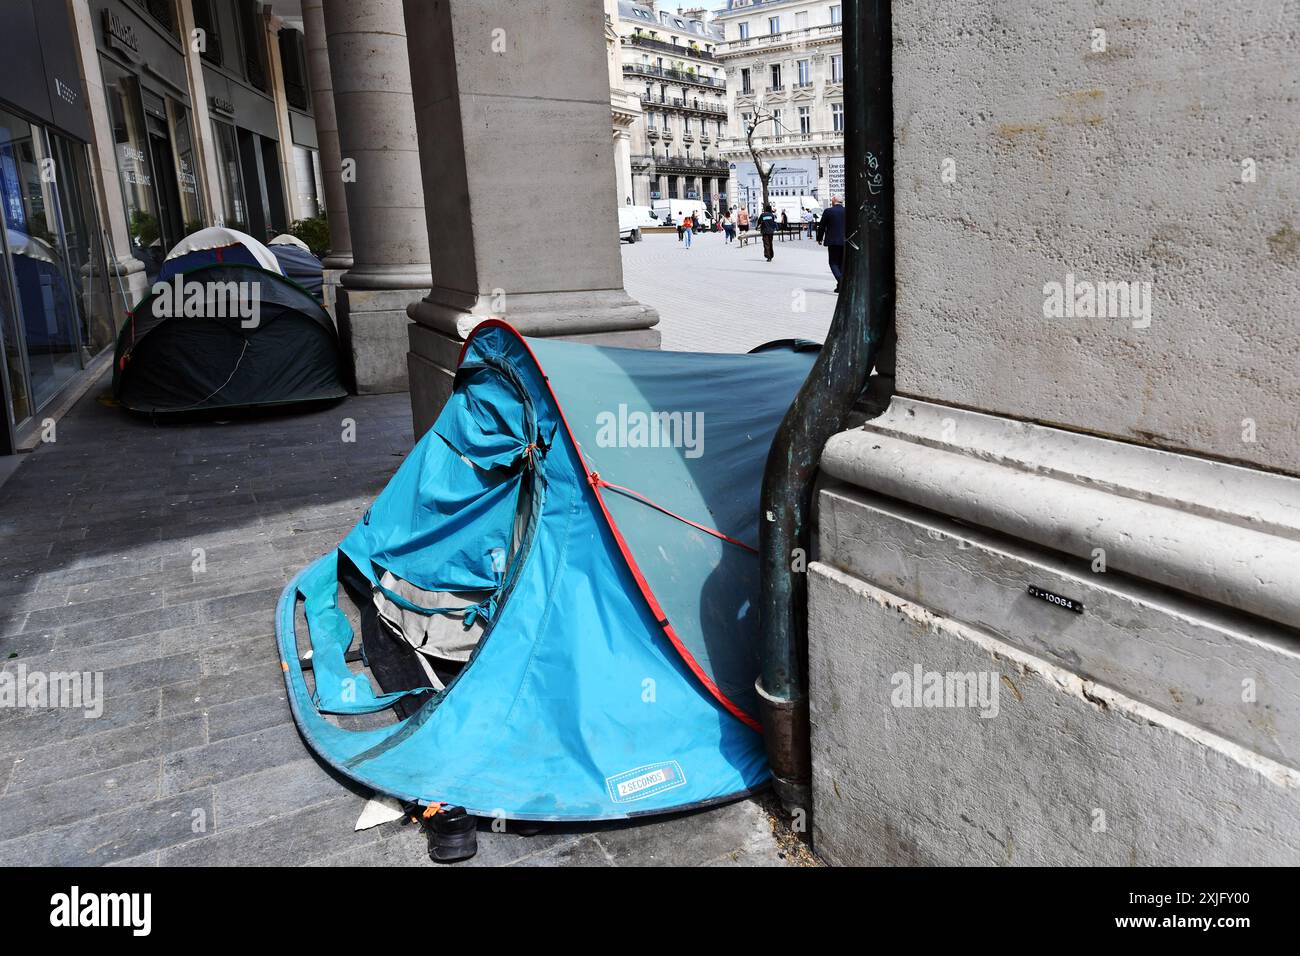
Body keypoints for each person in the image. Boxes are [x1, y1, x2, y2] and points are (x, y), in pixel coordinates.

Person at [816, 194, 847, 292]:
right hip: (845, 241)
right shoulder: (847, 211)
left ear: (834, 200)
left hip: (833, 241)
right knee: (841, 263)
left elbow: (821, 226)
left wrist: (819, 238)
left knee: (833, 263)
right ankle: (840, 287)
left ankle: (842, 282)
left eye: (832, 199)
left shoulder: (828, 211)